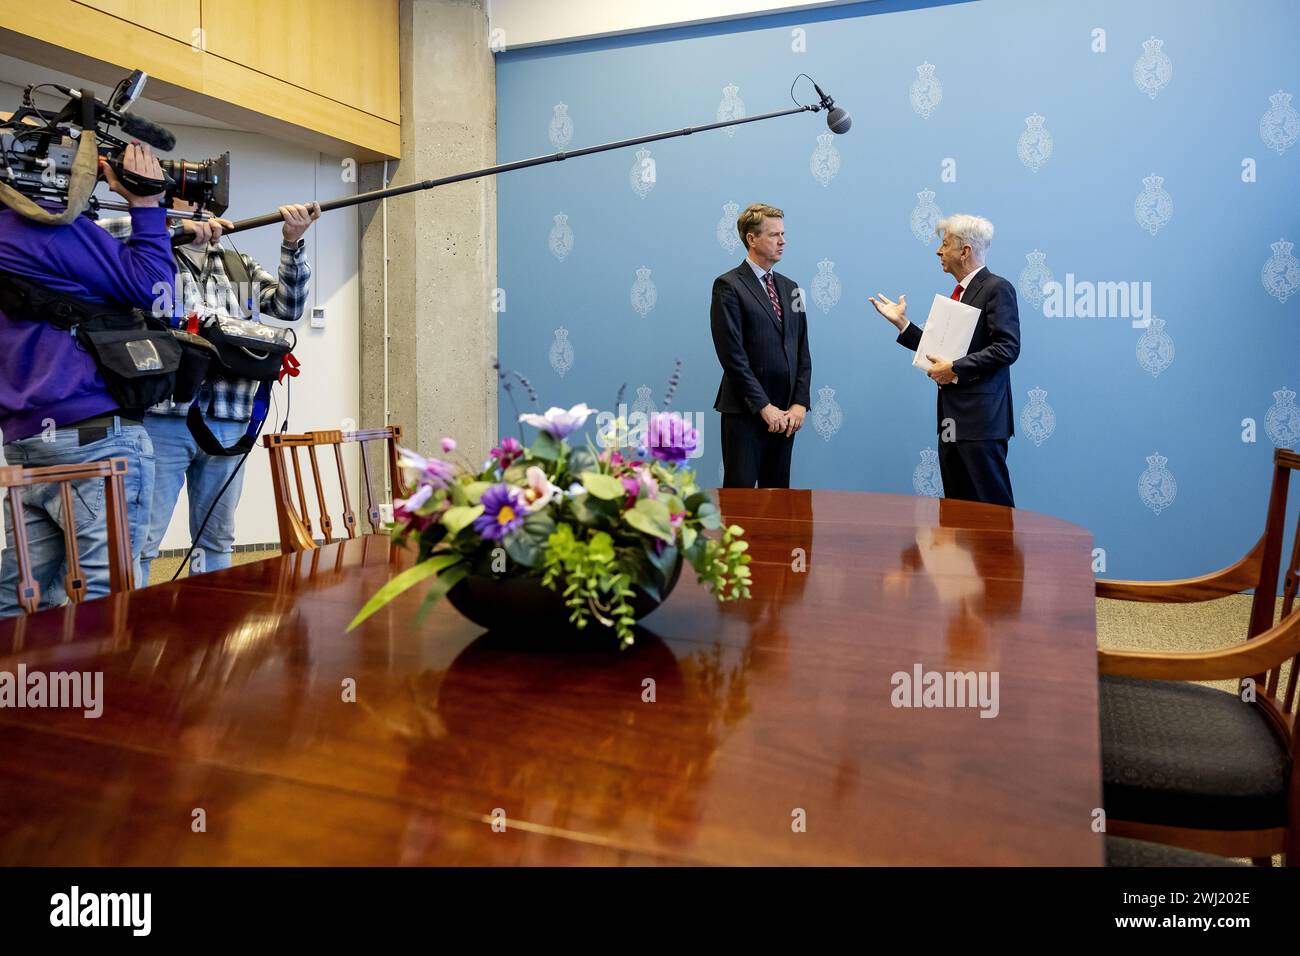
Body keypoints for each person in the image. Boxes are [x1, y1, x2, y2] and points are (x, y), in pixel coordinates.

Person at [98, 197, 318, 581]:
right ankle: (131, 628)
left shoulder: (239, 264)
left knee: (216, 538)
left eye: (205, 206)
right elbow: (94, 235)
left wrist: (293, 242)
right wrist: (166, 231)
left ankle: (208, 622)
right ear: (167, 207)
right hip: (161, 419)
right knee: (142, 538)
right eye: (188, 206)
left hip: (229, 421)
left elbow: (290, 306)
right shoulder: (147, 253)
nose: (200, 211)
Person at [0, 144, 175, 615]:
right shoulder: (46, 228)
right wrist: (146, 204)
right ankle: (107, 691)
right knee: (106, 598)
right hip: (92, 440)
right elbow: (157, 292)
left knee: (21, 596)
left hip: (24, 441)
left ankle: (32, 689)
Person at [868, 213, 1020, 507]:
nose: (938, 251)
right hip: (952, 423)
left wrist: (954, 368)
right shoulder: (961, 293)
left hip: (981, 424)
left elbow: (1007, 348)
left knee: (992, 512)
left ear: (964, 251)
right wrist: (903, 325)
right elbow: (943, 352)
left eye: (945, 244)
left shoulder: (996, 288)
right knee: (958, 513)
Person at [710, 203, 812, 488]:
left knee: (778, 501)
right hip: (746, 412)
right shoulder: (728, 285)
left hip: (787, 415)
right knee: (741, 500)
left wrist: (800, 404)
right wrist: (763, 407)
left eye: (783, 234)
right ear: (751, 239)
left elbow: (802, 349)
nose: (782, 241)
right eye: (773, 235)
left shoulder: (792, 288)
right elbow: (732, 356)